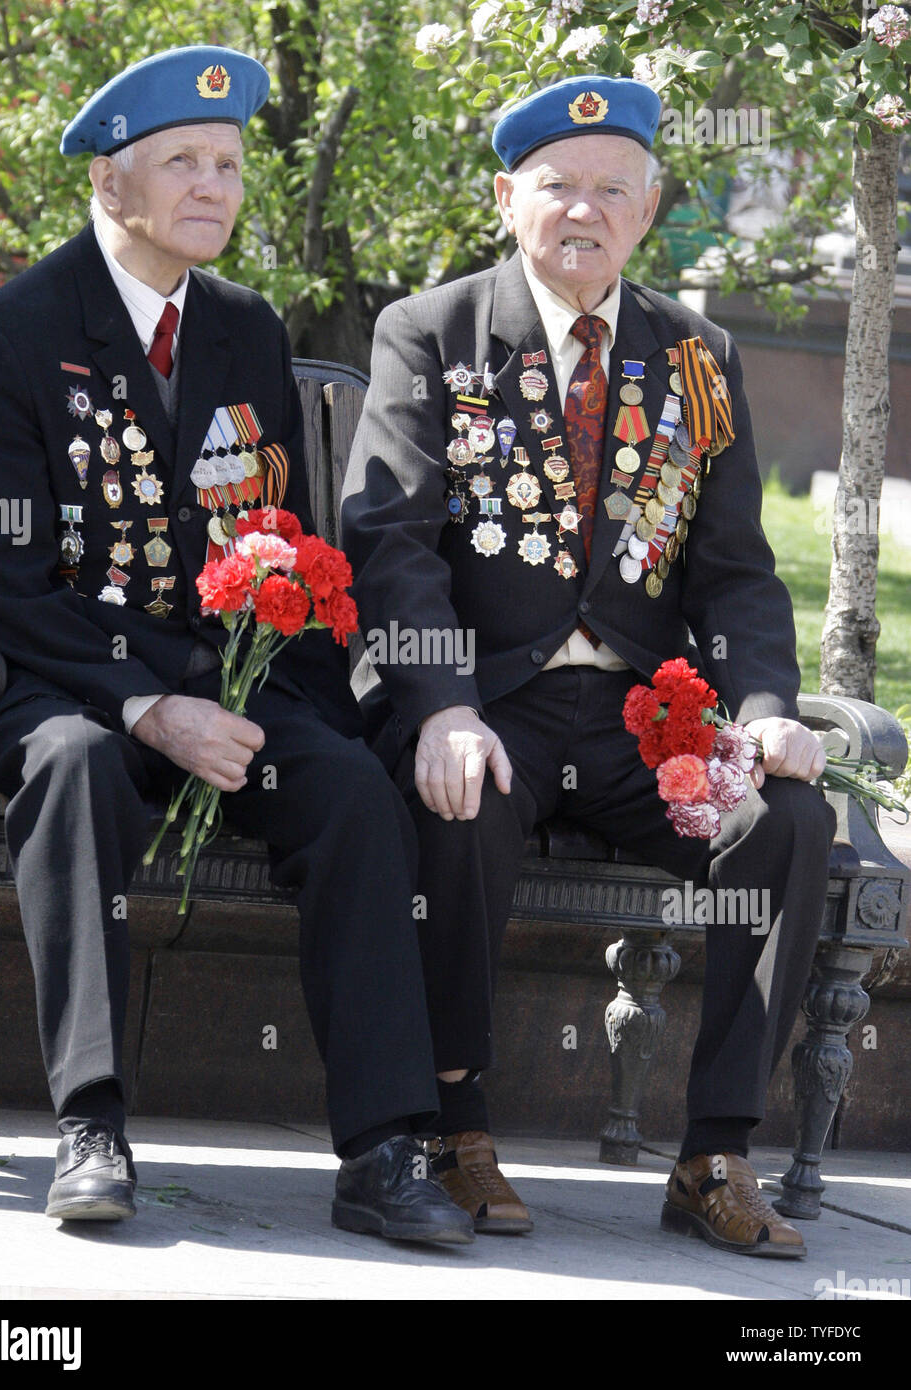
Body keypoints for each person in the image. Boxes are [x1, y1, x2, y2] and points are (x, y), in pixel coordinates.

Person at [0, 45, 474, 1245]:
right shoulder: (17, 331)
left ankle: (385, 1148)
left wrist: (286, 695)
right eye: (183, 162)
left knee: (344, 790)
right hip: (73, 687)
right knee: (71, 771)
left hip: (233, 689)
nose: (214, 188)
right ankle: (92, 1123)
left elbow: (272, 536)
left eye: (228, 166)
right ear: (110, 182)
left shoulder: (243, 329)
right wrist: (151, 699)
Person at [341, 74, 836, 1255]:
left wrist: (766, 710)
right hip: (488, 701)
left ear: (650, 208)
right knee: (455, 797)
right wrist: (442, 709)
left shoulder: (696, 355)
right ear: (508, 196)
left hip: (637, 727)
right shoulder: (432, 331)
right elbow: (392, 544)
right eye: (558, 185)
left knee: (783, 820)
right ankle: (456, 1129)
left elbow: (735, 574)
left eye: (614, 188)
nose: (585, 209)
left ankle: (714, 1151)